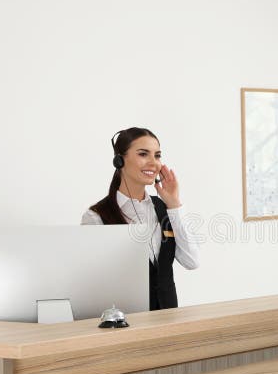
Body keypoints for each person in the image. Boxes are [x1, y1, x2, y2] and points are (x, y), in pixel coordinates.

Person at [82, 127, 199, 310]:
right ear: (119, 160)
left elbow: (192, 261)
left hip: (168, 320)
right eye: (143, 154)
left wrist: (174, 204)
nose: (154, 163)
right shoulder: (96, 217)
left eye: (157, 155)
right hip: (126, 325)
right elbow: (91, 283)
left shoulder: (165, 208)